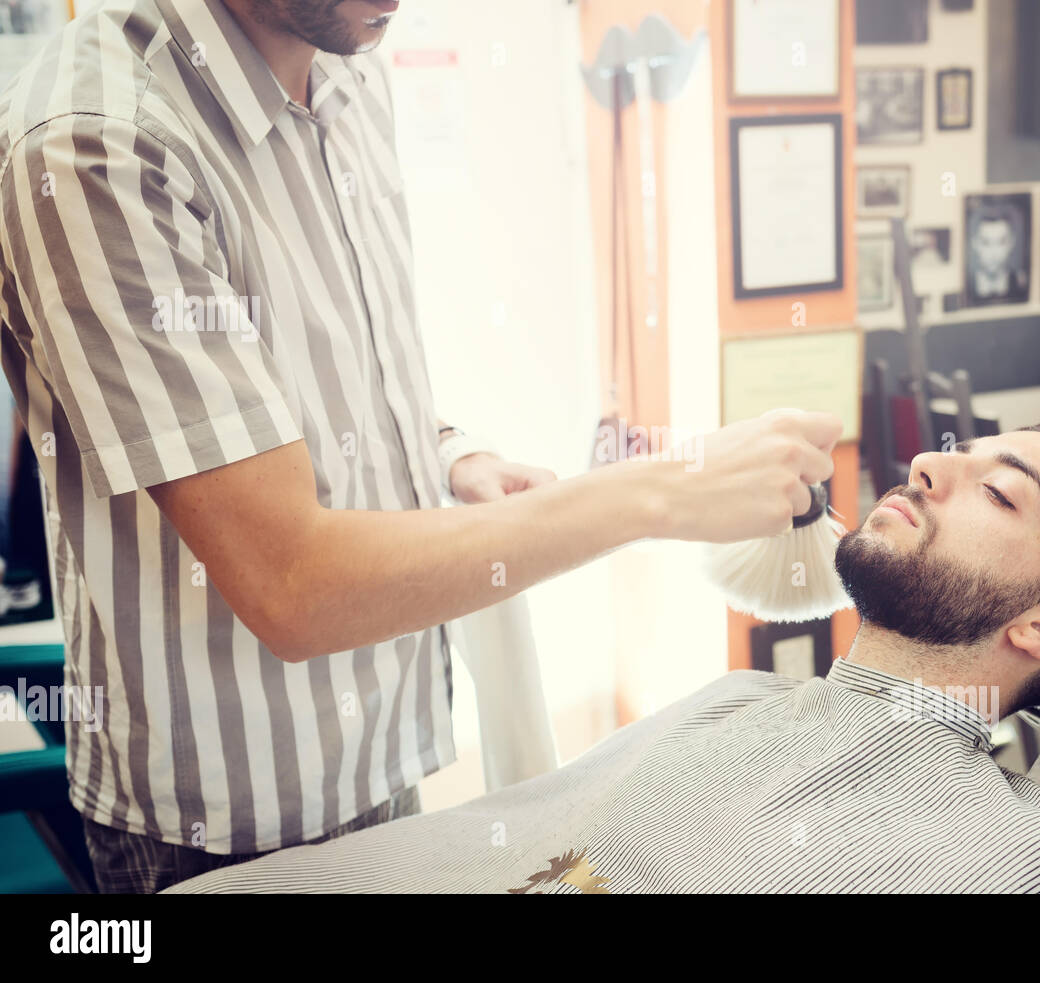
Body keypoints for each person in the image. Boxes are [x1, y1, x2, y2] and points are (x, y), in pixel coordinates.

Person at [0, 0, 839, 893]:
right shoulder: (97, 146)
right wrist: (661, 492)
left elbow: (301, 366)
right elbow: (293, 583)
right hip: (226, 804)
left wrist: (444, 450)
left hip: (386, 735)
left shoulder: (350, 63)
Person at [164, 415, 1040, 894]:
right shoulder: (736, 700)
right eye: (961, 449)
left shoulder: (1027, 864)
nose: (928, 462)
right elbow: (475, 851)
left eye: (1000, 492)